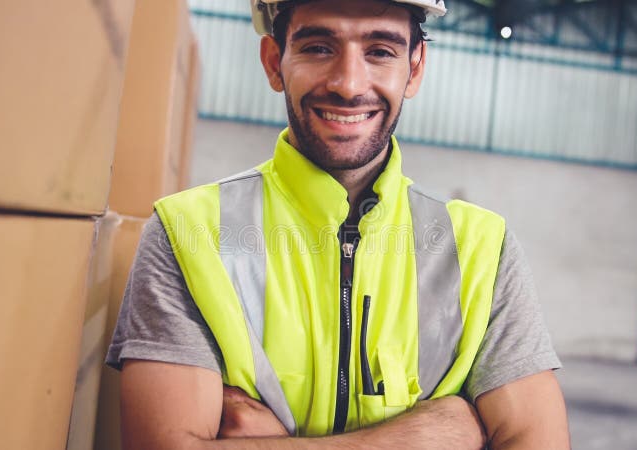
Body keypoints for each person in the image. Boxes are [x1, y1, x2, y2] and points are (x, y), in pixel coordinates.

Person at [106, 0, 570, 448]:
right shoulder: (187, 233)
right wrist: (417, 438)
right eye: (318, 47)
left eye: (380, 51)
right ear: (273, 62)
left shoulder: (482, 249)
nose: (349, 84)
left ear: (415, 67)